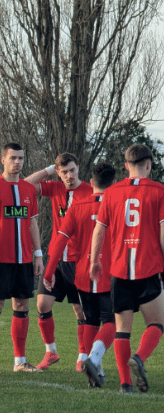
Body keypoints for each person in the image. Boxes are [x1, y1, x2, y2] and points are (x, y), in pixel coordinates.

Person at [90, 144, 164, 394]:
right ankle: (140, 357)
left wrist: (94, 261)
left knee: (123, 330)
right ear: (149, 164)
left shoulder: (110, 193)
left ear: (125, 166)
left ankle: (125, 384)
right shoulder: (159, 191)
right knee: (157, 323)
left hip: (120, 271)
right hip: (148, 268)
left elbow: (98, 230)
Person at [43, 163, 116, 388]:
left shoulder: (77, 206)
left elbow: (60, 240)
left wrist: (49, 271)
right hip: (111, 272)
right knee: (112, 322)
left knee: (90, 320)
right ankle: (93, 359)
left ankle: (95, 368)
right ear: (113, 184)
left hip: (83, 272)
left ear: (91, 183)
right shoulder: (117, 205)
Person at [25, 153, 93, 371]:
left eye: (72, 170)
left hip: (80, 261)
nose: (69, 175)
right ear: (58, 173)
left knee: (80, 311)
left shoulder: (90, 192)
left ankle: (83, 356)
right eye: (64, 172)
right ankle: (51, 352)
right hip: (57, 260)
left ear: (78, 168)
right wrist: (48, 170)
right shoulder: (54, 188)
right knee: (42, 305)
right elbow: (24, 185)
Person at [0, 143, 43, 373]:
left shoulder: (28, 189)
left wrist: (38, 255)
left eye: (21, 158)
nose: (18, 162)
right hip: (0, 259)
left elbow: (33, 223)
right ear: (2, 160)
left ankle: (20, 361)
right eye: (13, 158)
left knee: (23, 305)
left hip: (24, 259)